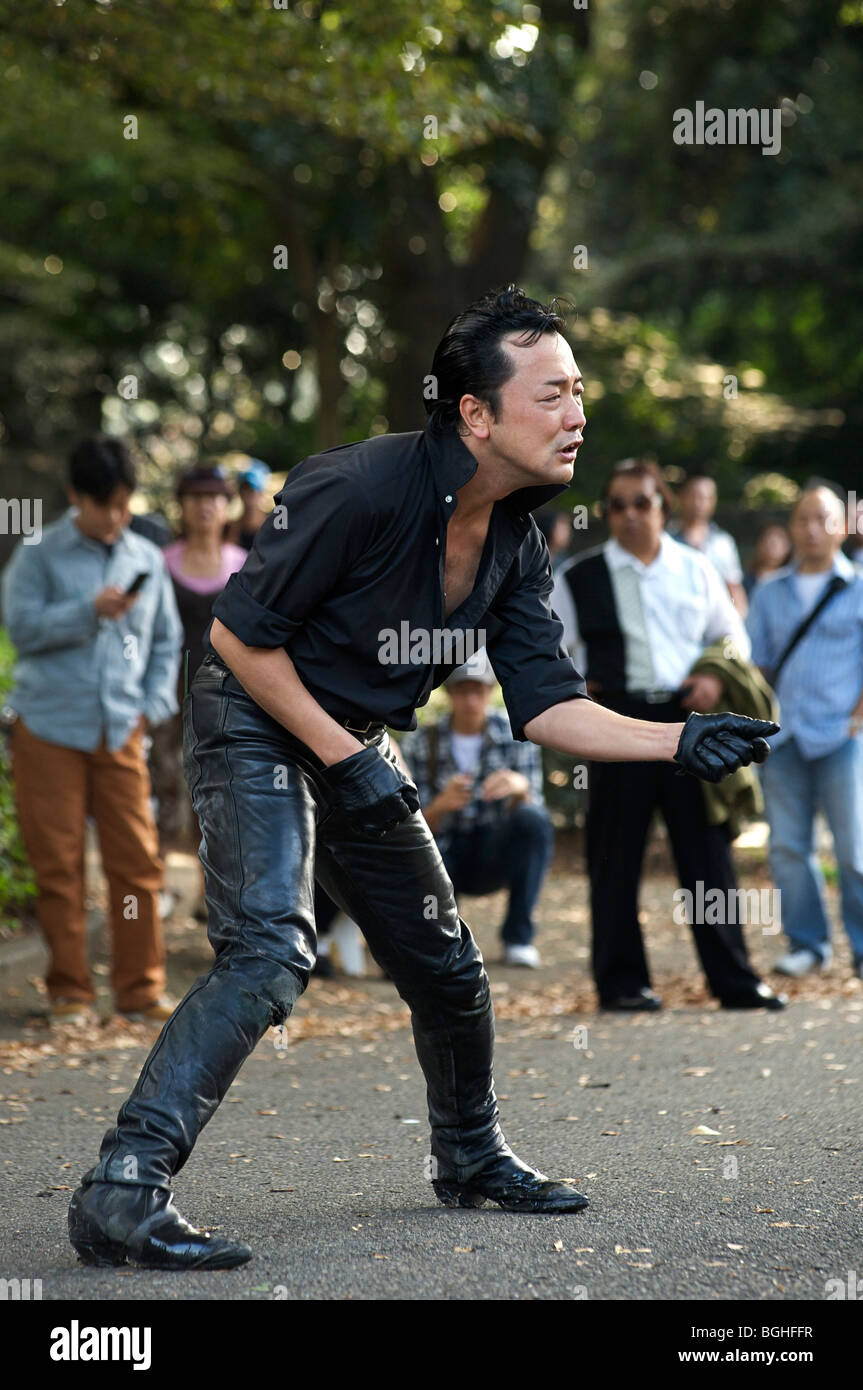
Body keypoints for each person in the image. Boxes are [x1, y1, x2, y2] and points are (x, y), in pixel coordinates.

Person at [68, 285, 777, 1271]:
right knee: (271, 948)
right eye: (552, 395)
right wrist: (347, 756)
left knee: (447, 964)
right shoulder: (358, 486)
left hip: (348, 731)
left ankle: (471, 1155)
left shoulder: (515, 544)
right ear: (475, 413)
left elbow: (544, 706)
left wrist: (674, 738)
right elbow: (237, 634)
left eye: (580, 392)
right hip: (253, 714)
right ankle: (122, 1185)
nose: (577, 415)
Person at [552, 458, 785, 1012]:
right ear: (607, 511)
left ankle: (734, 979)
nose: (629, 514)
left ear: (663, 506)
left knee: (707, 856)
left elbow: (733, 638)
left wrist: (710, 676)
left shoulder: (695, 567)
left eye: (642, 502)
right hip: (616, 722)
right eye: (618, 504)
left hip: (689, 719)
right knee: (614, 856)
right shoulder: (578, 577)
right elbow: (548, 651)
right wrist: (577, 686)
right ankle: (622, 983)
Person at [1, 437, 182, 1024]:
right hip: (48, 729)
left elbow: (166, 643)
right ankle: (70, 992)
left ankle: (139, 990)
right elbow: (21, 628)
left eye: (125, 504)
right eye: (104, 504)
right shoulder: (39, 553)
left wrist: (149, 707)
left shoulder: (145, 558)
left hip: (120, 730)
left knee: (136, 864)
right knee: (58, 864)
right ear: (75, 496)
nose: (116, 517)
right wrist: (87, 612)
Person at [747, 482, 863, 980]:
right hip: (784, 738)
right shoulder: (771, 592)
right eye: (803, 519)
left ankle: (861, 948)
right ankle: (808, 944)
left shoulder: (859, 586)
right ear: (791, 528)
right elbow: (754, 666)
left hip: (844, 737)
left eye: (823, 518)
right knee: (789, 848)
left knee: (854, 850)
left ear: (841, 526)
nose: (812, 528)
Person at [401, 649, 553, 968]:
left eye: (479, 690)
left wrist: (519, 788)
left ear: (489, 692)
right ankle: (436, 942)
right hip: (442, 853)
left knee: (533, 818)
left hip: (492, 851)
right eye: (463, 690)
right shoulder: (421, 741)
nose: (471, 700)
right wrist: (441, 805)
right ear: (450, 693)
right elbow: (407, 827)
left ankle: (519, 938)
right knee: (422, 847)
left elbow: (534, 811)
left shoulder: (516, 736)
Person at [669, 471, 748, 614]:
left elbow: (734, 588)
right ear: (681, 497)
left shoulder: (723, 542)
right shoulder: (666, 540)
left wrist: (735, 623)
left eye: (707, 497)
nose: (699, 503)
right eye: (694, 496)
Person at [227, 459, 271, 551]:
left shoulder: (273, 526)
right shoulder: (231, 528)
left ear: (261, 492)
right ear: (239, 492)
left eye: (252, 490)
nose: (247, 494)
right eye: (244, 489)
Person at [743, 521, 793, 598]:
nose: (773, 542)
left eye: (779, 538)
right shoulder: (745, 581)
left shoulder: (794, 581)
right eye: (767, 537)